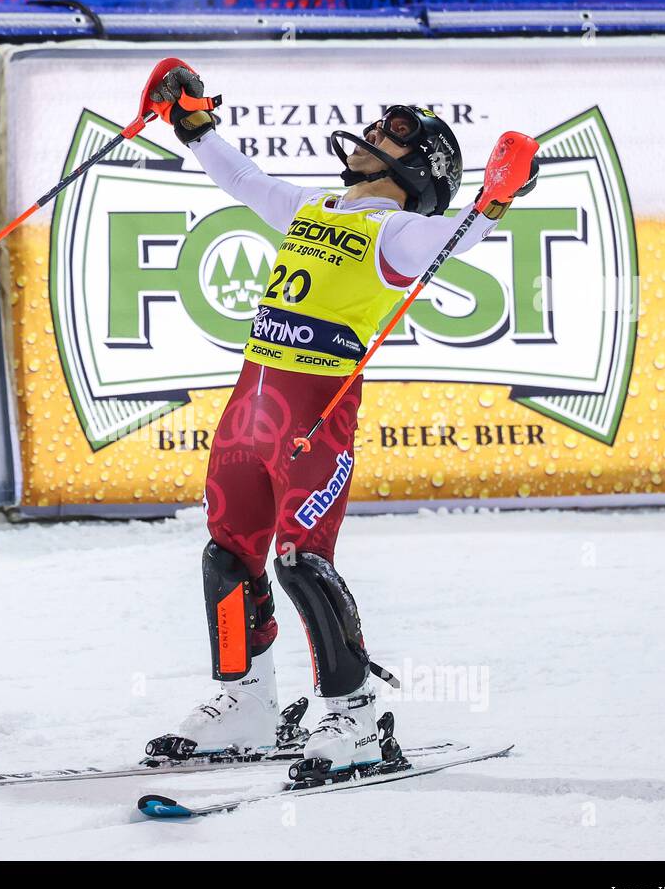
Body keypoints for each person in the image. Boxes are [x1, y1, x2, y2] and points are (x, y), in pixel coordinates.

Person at [143, 66, 537, 778]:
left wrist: (495, 199)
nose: (374, 133)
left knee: (301, 562)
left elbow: (458, 238)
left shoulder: (402, 231)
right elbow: (244, 181)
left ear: (417, 166)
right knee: (228, 555)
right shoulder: (314, 206)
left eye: (394, 132)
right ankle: (247, 702)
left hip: (310, 421)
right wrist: (196, 126)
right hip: (248, 410)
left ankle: (352, 716)